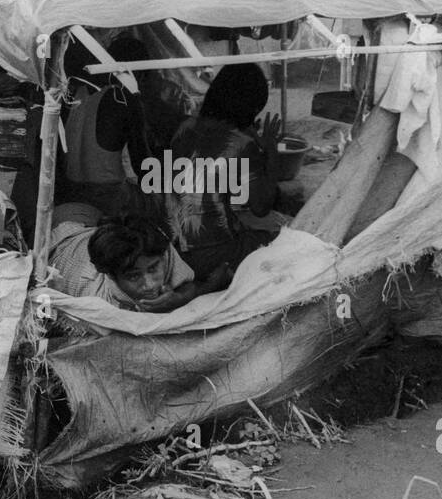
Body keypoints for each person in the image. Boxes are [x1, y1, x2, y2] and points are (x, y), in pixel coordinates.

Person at [164, 63, 282, 280]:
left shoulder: (184, 128)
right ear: (252, 107)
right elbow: (261, 207)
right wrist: (271, 151)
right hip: (214, 254)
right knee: (284, 240)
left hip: (173, 250)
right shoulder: (242, 144)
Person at [47, 204, 231, 312]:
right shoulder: (96, 300)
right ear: (111, 275)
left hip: (90, 217)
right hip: (62, 224)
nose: (150, 284)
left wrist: (180, 297)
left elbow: (188, 284)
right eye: (134, 276)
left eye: (153, 269)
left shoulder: (157, 247)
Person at [59, 35, 153, 216]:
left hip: (71, 193)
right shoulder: (123, 97)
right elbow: (142, 162)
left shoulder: (77, 93)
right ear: (137, 71)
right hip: (108, 197)